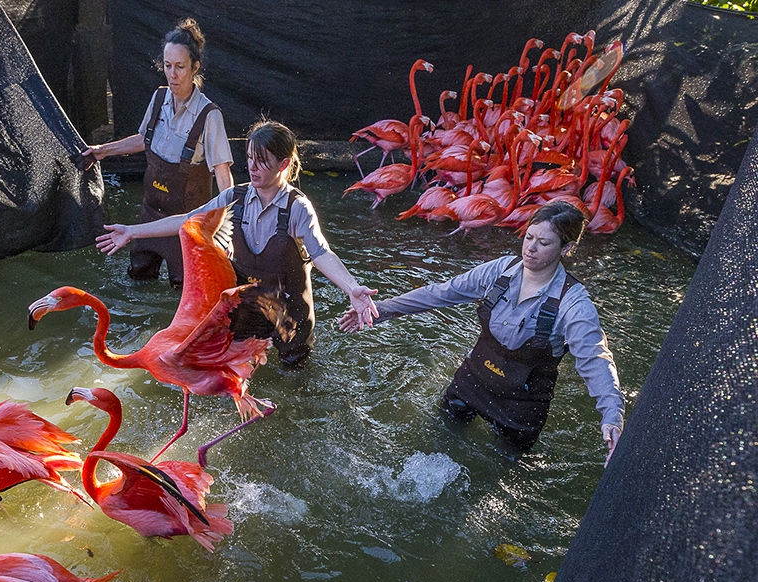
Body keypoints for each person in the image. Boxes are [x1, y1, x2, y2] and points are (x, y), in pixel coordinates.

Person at [341, 200, 624, 462]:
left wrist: (612, 413)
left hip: (522, 405)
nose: (530, 249)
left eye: (544, 243)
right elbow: (439, 294)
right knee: (438, 440)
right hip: (474, 380)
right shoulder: (500, 271)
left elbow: (595, 356)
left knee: (500, 469)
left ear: (565, 249)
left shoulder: (573, 303)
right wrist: (377, 312)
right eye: (528, 237)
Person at [96, 119, 376, 368]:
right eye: (250, 158)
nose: (252, 167)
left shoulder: (298, 208)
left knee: (295, 372)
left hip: (290, 312)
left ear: (284, 164)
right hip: (247, 307)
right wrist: (132, 231)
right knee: (234, 368)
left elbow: (321, 253)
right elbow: (188, 220)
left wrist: (352, 288)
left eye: (262, 160)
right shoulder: (235, 197)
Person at [81, 19, 233, 287]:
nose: (172, 74)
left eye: (180, 67)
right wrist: (102, 151)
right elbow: (143, 139)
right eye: (167, 66)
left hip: (186, 228)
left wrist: (227, 230)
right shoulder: (159, 98)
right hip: (149, 217)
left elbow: (224, 179)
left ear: (195, 67)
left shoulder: (210, 117)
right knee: (137, 280)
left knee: (181, 289)